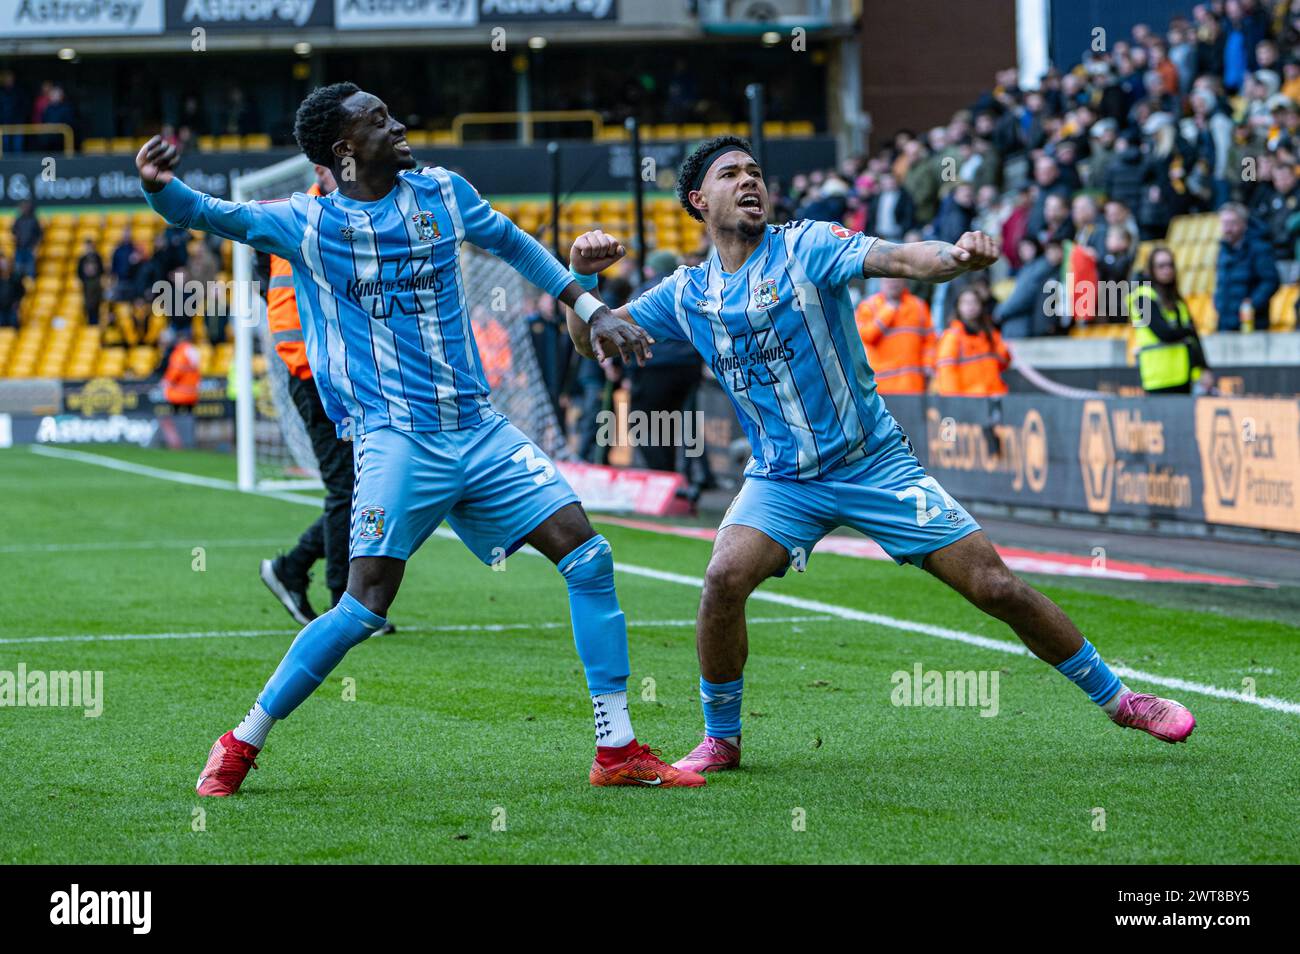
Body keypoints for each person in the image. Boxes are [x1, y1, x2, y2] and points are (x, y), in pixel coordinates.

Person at [136, 81, 702, 795]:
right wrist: (160, 190)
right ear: (345, 151)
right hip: (397, 440)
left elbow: (512, 242)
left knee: (587, 557)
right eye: (379, 120)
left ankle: (616, 749)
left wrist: (588, 306)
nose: (399, 124)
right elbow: (208, 214)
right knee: (364, 606)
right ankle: (243, 739)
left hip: (480, 426)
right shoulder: (305, 226)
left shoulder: (441, 193)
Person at [566, 136, 1196, 775]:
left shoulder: (807, 245)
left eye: (755, 170)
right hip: (781, 480)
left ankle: (1123, 700)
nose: (749, 180)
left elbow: (902, 258)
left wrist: (955, 255)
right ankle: (722, 738)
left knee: (994, 586)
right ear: (700, 201)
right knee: (723, 580)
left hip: (874, 464)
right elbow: (593, 342)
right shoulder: (686, 292)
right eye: (731, 174)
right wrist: (583, 280)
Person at [258, 165, 395, 635]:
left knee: (363, 488)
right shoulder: (305, 220)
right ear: (322, 168)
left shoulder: (335, 215)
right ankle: (346, 602)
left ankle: (294, 568)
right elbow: (285, 306)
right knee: (349, 490)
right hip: (317, 377)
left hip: (342, 377)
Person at [1126, 246, 1210, 394]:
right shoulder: (1141, 297)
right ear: (1151, 269)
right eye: (1161, 266)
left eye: (1170, 265)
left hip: (1183, 376)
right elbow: (1164, 332)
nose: (1167, 270)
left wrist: (1204, 368)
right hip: (1157, 379)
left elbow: (1194, 337)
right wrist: (1186, 331)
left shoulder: (1177, 301)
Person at [853, 276, 935, 395]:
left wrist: (928, 365)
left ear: (904, 281)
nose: (893, 284)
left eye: (897, 280)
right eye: (889, 281)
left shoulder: (919, 306)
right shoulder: (869, 306)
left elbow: (930, 341)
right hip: (881, 386)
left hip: (913, 385)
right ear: (881, 282)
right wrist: (888, 311)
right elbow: (866, 336)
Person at [1214, 202, 1278, 330]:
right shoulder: (1223, 251)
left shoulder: (1259, 249)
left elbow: (1271, 281)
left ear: (1243, 224)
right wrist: (1218, 303)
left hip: (1251, 323)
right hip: (1225, 322)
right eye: (1224, 223)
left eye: (1232, 223)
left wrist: (1252, 303)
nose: (1227, 229)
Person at [936, 288, 1011, 396]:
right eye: (965, 302)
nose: (971, 306)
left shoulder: (989, 334)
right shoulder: (952, 337)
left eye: (974, 302)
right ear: (958, 307)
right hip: (969, 401)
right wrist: (954, 403)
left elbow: (1004, 362)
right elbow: (947, 374)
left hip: (994, 396)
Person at [161, 326, 201, 413]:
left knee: (177, 421)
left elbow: (175, 371)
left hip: (179, 394)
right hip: (192, 393)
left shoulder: (180, 353)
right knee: (190, 419)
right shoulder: (194, 351)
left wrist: (167, 381)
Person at [76, 238, 105, 326]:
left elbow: (102, 270)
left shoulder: (97, 257)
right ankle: (89, 322)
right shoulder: (82, 258)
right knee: (88, 304)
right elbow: (79, 272)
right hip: (86, 284)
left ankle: (96, 322)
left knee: (96, 303)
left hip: (96, 283)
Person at [11, 200, 41, 280]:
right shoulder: (18, 220)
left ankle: (30, 288)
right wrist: (15, 238)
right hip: (19, 248)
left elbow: (39, 235)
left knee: (30, 270)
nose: (22, 209)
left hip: (30, 248)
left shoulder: (34, 220)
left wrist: (36, 247)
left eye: (24, 207)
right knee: (17, 270)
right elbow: (13, 231)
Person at [0, 253, 23, 328]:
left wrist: (17, 301)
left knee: (12, 326)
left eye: (3, 262)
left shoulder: (15, 277)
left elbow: (21, 291)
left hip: (11, 307)